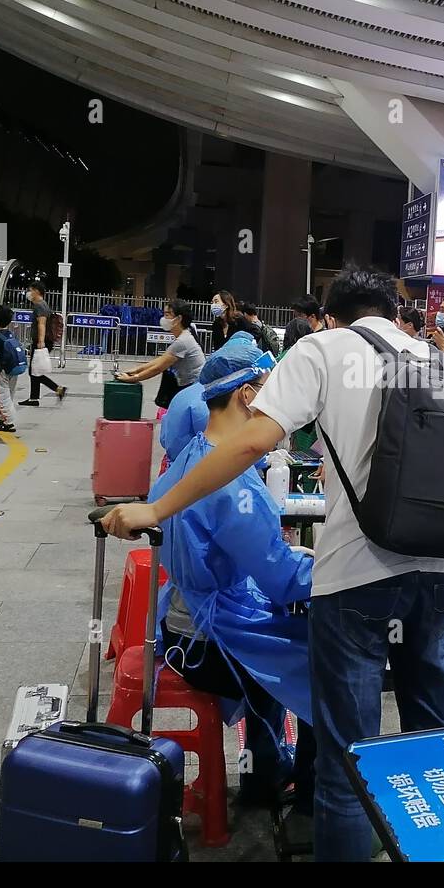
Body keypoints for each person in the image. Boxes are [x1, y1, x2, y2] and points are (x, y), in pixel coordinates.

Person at [103, 265, 444, 862]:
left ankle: (312, 804)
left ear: (333, 314)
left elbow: (251, 451)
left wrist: (156, 507)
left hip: (352, 576)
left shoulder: (307, 362)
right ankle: (434, 841)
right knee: (432, 733)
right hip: (440, 572)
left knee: (349, 739)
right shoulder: (432, 359)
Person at [152, 333, 315, 830]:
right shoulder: (235, 484)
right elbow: (284, 580)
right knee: (323, 661)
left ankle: (265, 772)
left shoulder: (190, 455)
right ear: (248, 395)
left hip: (177, 628)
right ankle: (312, 800)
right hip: (212, 641)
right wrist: (330, 567)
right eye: (270, 388)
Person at [115, 302, 204, 414]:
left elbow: (158, 368)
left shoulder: (183, 341)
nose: (163, 318)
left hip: (194, 387)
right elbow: (160, 360)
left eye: (167, 315)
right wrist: (135, 370)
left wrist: (133, 378)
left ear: (178, 318)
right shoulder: (183, 337)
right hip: (191, 387)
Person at [18, 281, 66, 407]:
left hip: (42, 342)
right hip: (42, 341)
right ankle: (34, 398)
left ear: (37, 291)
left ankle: (58, 389)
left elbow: (42, 324)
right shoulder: (41, 305)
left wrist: (40, 341)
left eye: (30, 290)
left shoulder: (40, 305)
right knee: (35, 371)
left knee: (34, 371)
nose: (29, 293)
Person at [0, 305, 25, 433]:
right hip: (14, 369)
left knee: (2, 396)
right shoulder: (10, 334)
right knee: (10, 395)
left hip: (2, 371)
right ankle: (4, 418)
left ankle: (8, 422)